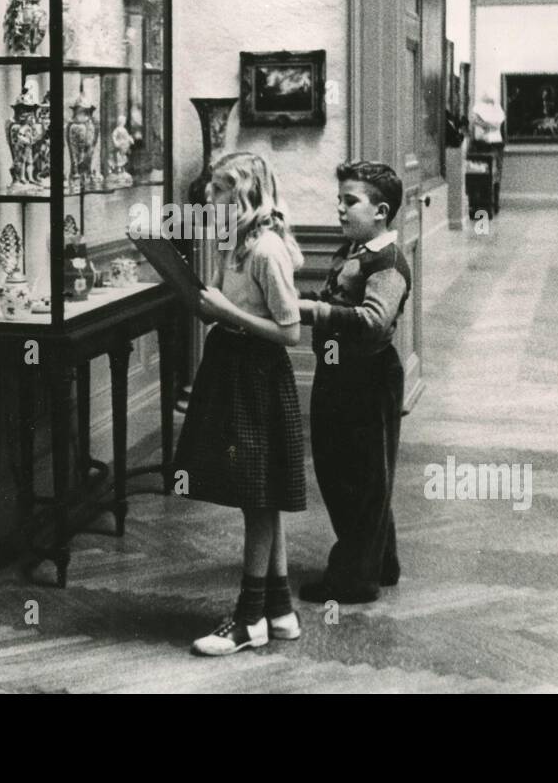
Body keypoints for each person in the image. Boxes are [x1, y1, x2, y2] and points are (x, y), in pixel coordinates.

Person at [173, 151, 307, 656]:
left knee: (258, 498)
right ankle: (279, 611)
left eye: (219, 190)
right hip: (233, 369)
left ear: (245, 195)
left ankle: (249, 618)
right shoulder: (237, 243)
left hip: (256, 376)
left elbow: (290, 332)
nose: (208, 197)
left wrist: (228, 311)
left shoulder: (266, 250)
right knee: (262, 494)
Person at [298, 160, 411, 605]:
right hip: (341, 374)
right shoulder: (357, 250)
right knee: (355, 475)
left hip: (366, 379)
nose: (340, 209)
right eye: (339, 200)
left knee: (357, 480)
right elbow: (340, 299)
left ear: (381, 210)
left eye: (350, 201)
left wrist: (312, 312)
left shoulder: (388, 261)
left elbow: (372, 321)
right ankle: (381, 561)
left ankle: (353, 579)